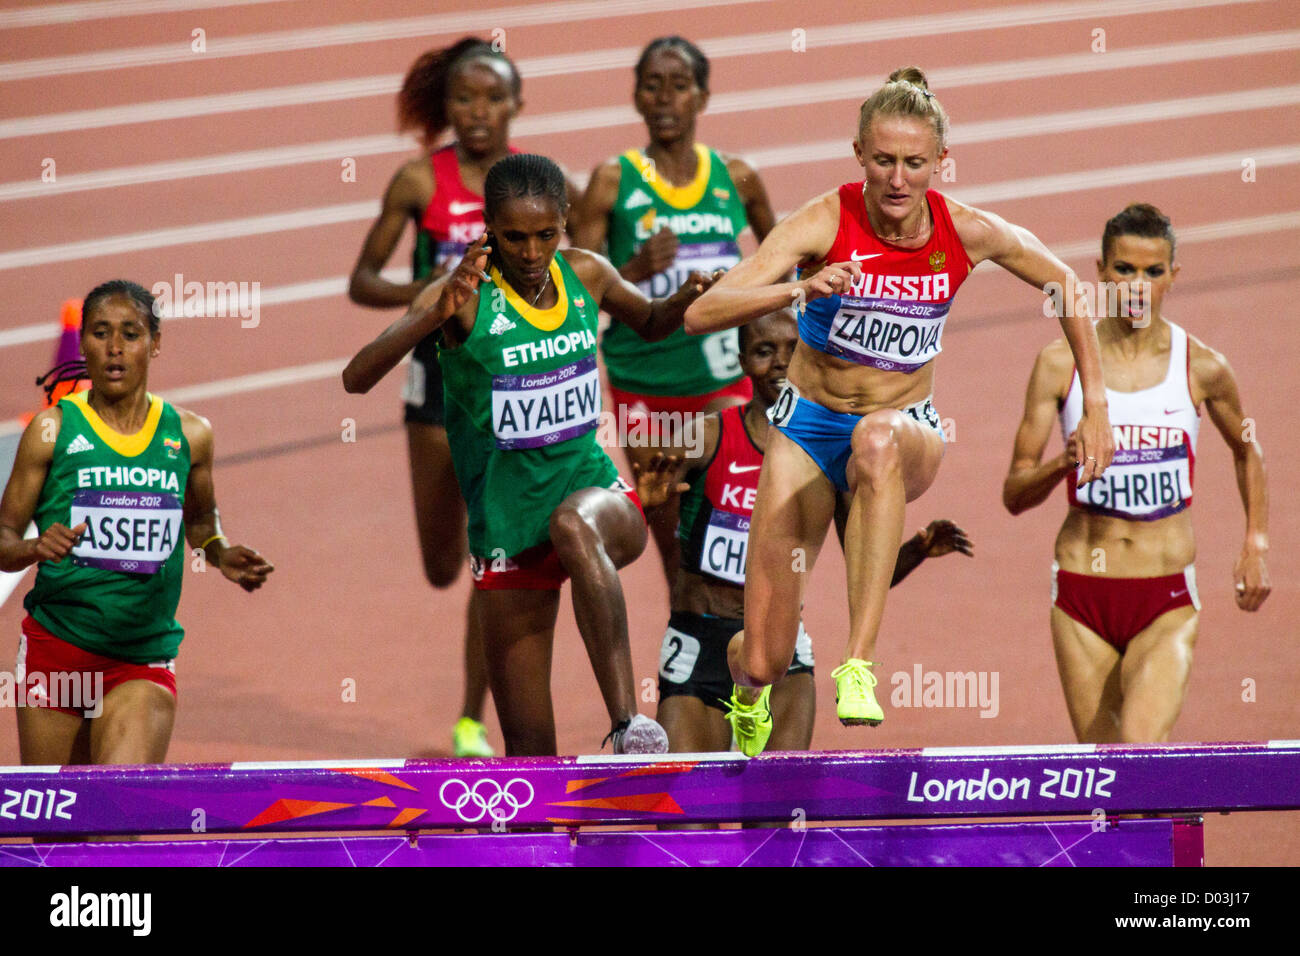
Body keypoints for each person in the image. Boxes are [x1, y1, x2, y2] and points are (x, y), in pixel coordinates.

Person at [682, 67, 1115, 756]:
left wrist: (1095, 405)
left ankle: (860, 662)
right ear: (859, 154)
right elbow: (702, 312)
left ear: (943, 163)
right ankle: (745, 691)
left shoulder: (966, 232)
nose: (897, 179)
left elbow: (1066, 284)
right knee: (765, 655)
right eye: (883, 160)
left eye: (915, 163)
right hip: (806, 429)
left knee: (879, 440)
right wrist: (797, 290)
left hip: (907, 427)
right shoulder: (826, 219)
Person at [343, 154, 716, 756]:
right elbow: (356, 377)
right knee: (529, 746)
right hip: (508, 530)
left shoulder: (587, 273)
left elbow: (647, 322)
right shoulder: (461, 296)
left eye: (546, 235)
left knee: (572, 523)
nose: (531, 251)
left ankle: (629, 725)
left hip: (595, 498)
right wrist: (432, 315)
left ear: (565, 222)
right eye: (513, 236)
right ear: (486, 226)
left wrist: (683, 300)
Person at [348, 38, 581, 758]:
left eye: (491, 97)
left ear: (517, 104)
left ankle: (472, 717)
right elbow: (361, 281)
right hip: (433, 383)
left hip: (506, 386)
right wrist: (439, 298)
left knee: (494, 547)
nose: (477, 112)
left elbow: (576, 270)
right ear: (445, 107)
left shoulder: (531, 190)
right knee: (442, 565)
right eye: (463, 99)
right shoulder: (420, 181)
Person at [636, 308, 973, 752]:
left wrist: (915, 548)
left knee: (774, 815)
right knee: (684, 818)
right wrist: (650, 507)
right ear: (741, 362)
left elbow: (868, 568)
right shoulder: (708, 436)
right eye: (763, 351)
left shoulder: (828, 455)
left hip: (784, 655)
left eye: (792, 350)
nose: (779, 362)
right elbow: (653, 530)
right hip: (698, 645)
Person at [1002, 204, 1269, 742]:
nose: (1138, 286)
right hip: (1081, 595)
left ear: (1173, 275)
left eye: (1153, 271)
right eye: (1125, 270)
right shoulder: (1060, 364)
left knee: (1141, 754)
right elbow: (1014, 492)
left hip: (1164, 597)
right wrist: (1063, 463)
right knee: (1107, 775)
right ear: (1101, 270)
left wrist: (1256, 541)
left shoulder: (1202, 366)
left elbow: (1247, 448)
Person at [0, 280, 273, 765]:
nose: (115, 348)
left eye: (131, 333)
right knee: (54, 830)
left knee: (116, 823)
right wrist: (35, 547)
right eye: (101, 333)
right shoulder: (52, 431)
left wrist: (219, 551)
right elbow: (2, 540)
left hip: (139, 659)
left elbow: (201, 519)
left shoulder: (190, 435)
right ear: (82, 342)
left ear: (156, 342)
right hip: (56, 654)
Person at [573, 36, 777, 585]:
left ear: (702, 97)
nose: (664, 99)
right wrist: (633, 269)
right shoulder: (611, 183)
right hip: (646, 383)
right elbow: (572, 294)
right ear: (636, 97)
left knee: (737, 529)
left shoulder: (737, 178)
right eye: (652, 86)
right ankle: (692, 658)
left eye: (679, 86)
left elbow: (784, 261)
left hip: (722, 376)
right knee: (675, 545)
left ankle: (755, 652)